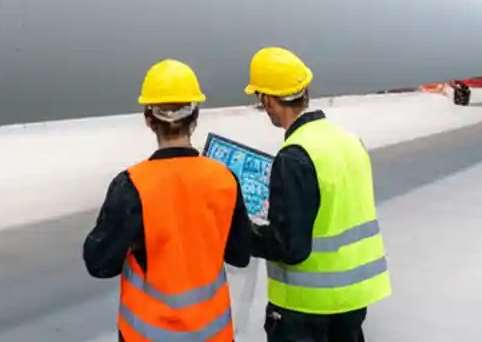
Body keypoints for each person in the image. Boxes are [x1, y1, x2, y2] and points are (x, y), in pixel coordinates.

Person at [84, 59, 252, 341]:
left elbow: (99, 264)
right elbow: (239, 254)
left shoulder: (131, 186)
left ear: (149, 120)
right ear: (195, 116)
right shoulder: (225, 178)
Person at [246, 47, 389, 342]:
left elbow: (291, 247)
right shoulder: (351, 142)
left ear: (268, 100)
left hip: (304, 307)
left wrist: (242, 230)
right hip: (352, 299)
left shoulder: (293, 157)